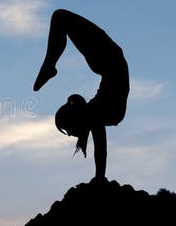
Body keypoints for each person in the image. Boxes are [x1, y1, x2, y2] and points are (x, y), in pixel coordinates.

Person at [33, 9, 129, 180]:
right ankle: (49, 66)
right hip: (109, 60)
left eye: (67, 129)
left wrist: (99, 178)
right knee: (60, 17)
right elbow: (101, 148)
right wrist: (100, 177)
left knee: (60, 17)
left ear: (75, 119)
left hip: (108, 60)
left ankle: (49, 66)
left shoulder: (93, 113)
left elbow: (100, 149)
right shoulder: (95, 115)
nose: (69, 134)